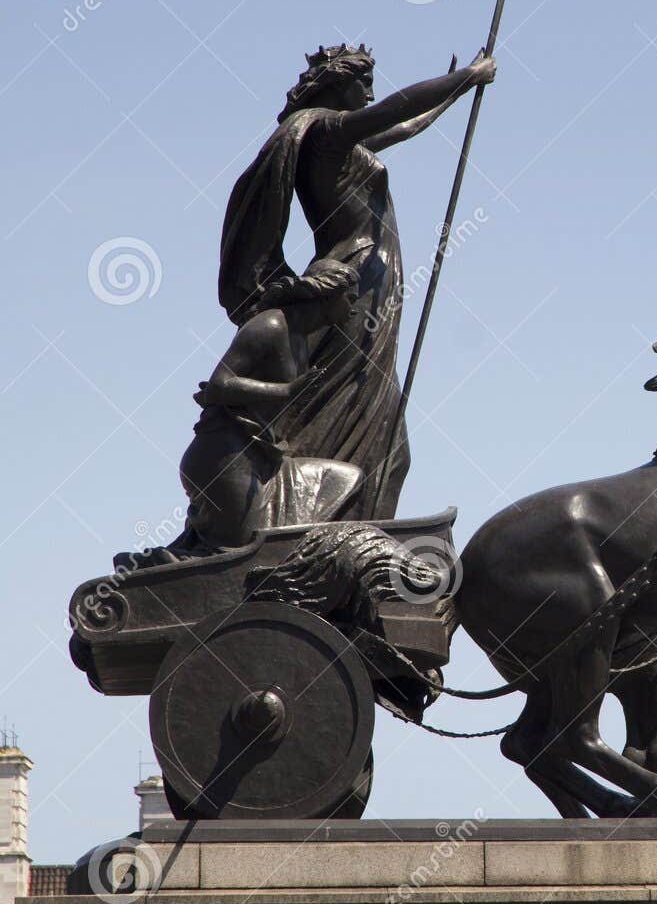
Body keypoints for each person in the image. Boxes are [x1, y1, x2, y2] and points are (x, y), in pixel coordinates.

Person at [216, 43, 495, 520]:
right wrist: (466, 77)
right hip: (356, 279)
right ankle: (322, 520)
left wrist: (452, 96)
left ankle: (356, 523)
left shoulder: (343, 141)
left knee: (380, 421)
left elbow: (403, 123)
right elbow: (396, 107)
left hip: (374, 279)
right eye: (361, 81)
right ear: (335, 83)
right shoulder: (327, 130)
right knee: (360, 412)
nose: (369, 91)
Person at [176, 260, 362, 552]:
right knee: (242, 553)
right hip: (225, 457)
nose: (352, 309)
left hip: (265, 459)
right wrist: (286, 390)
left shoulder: (300, 341)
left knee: (345, 479)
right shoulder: (271, 324)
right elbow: (218, 386)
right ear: (328, 292)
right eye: (350, 298)